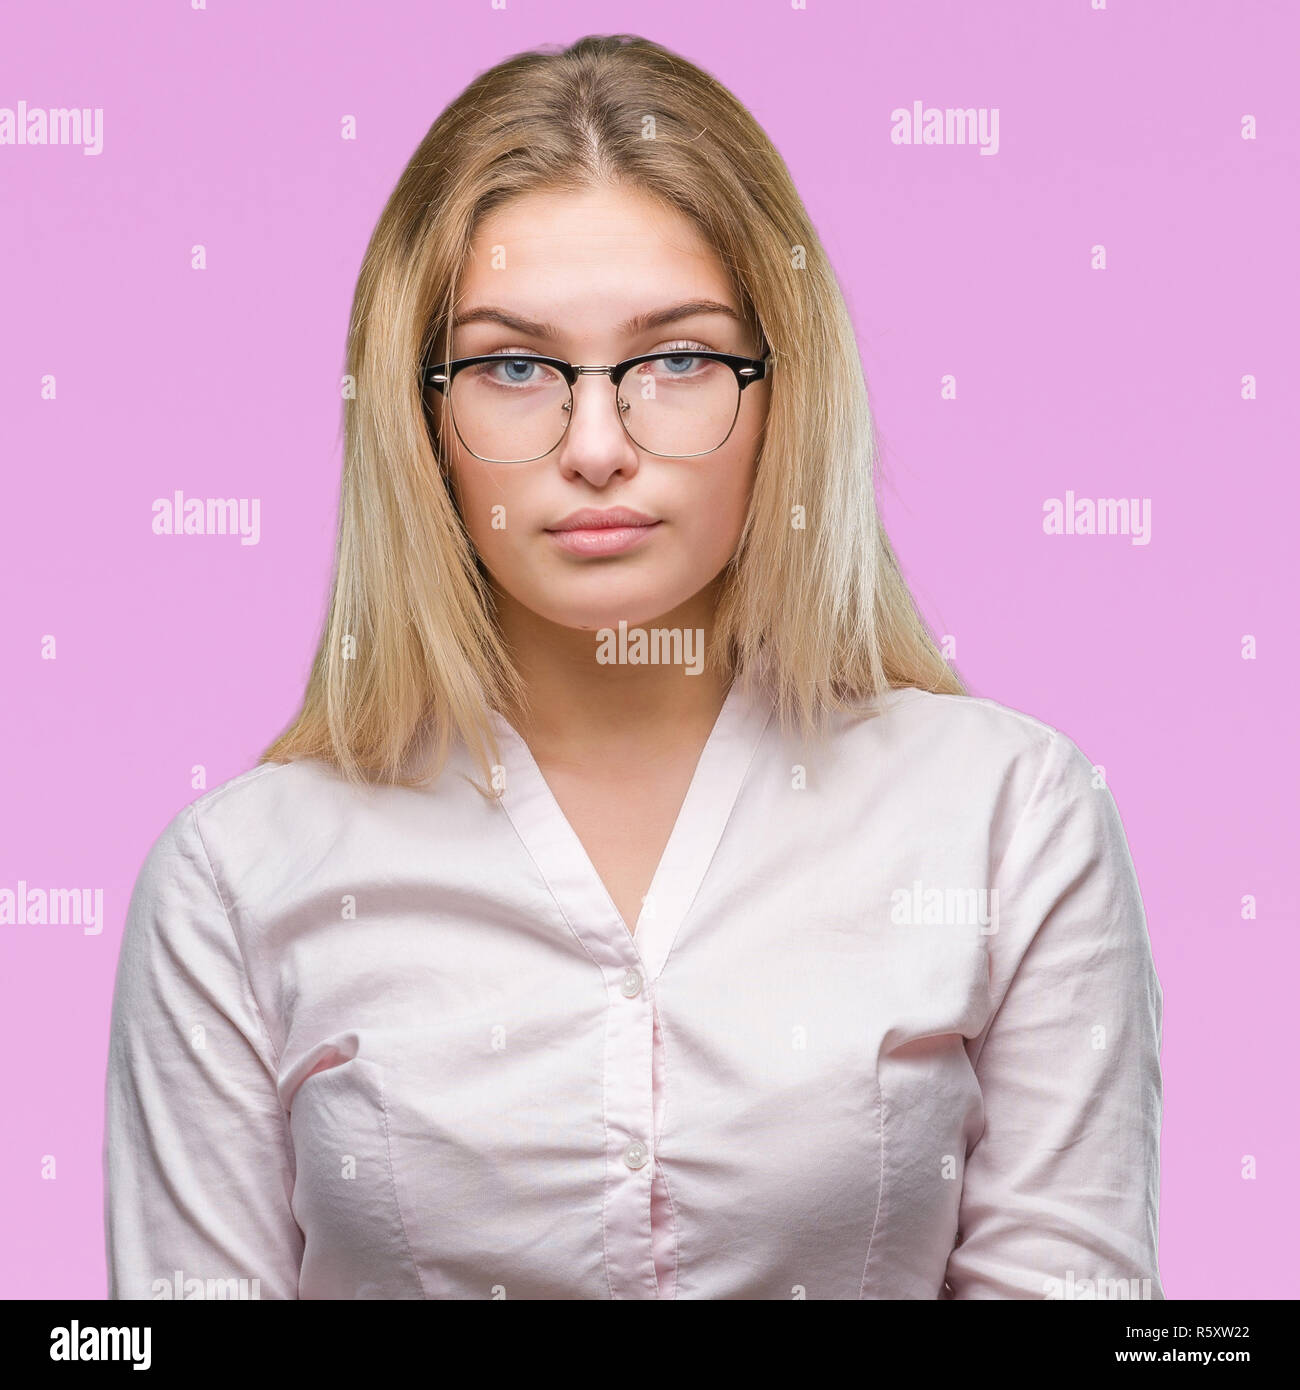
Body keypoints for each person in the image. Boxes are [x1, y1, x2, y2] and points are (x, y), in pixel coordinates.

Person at [103, 33, 1164, 1300]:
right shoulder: (233, 884)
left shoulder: (1009, 818)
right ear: (419, 411)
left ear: (785, 390)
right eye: (513, 364)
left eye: (675, 360)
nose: (595, 444)